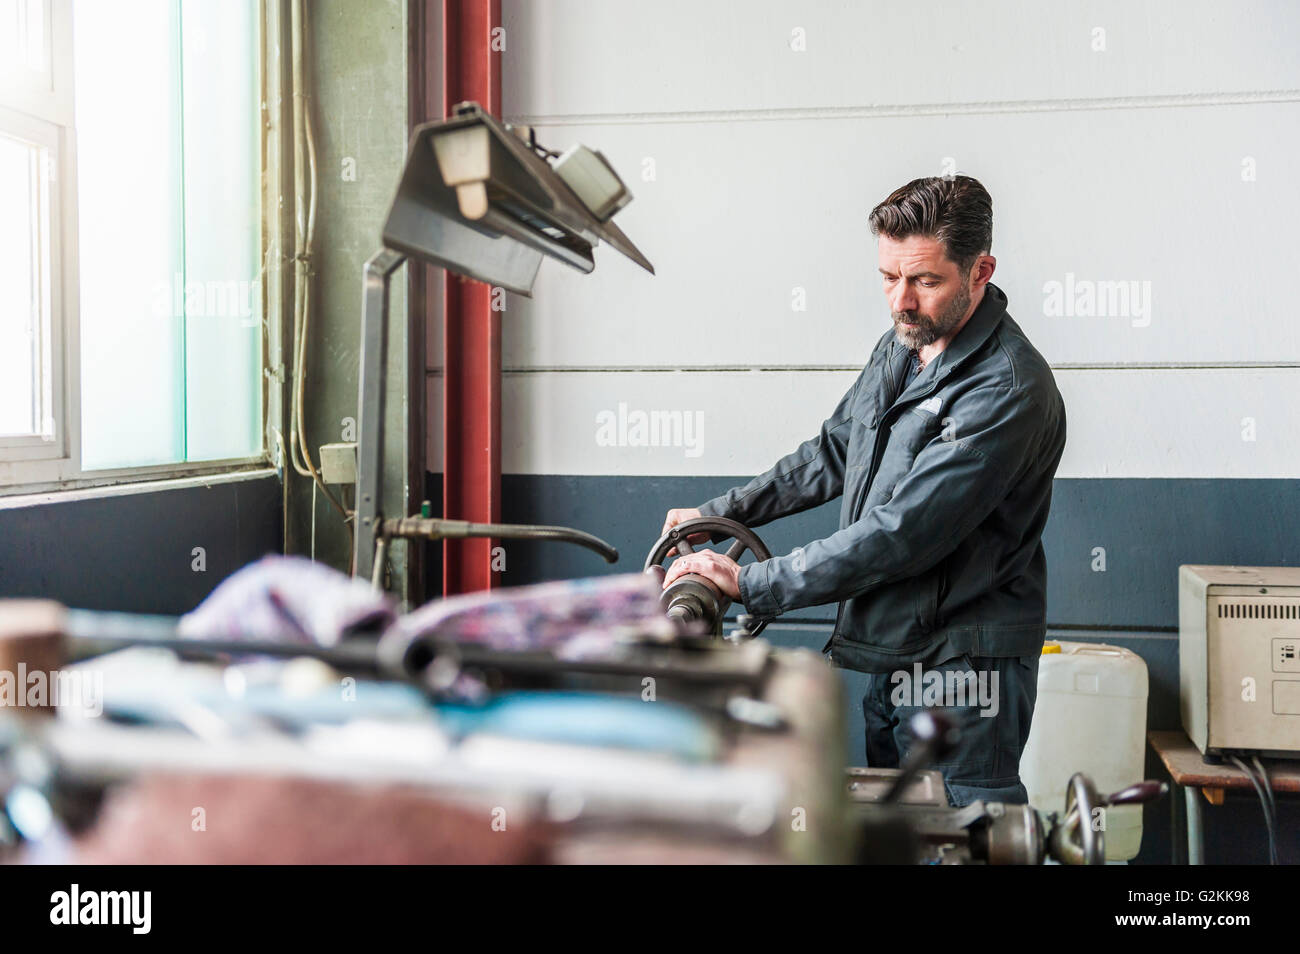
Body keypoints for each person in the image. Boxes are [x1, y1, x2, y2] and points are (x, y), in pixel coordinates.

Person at [661, 175, 1066, 806]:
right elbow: (830, 452)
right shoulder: (903, 346)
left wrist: (752, 584)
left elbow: (902, 534)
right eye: (887, 277)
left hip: (965, 668)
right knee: (898, 829)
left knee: (959, 828)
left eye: (925, 281)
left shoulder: (1005, 389)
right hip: (895, 647)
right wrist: (720, 516)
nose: (900, 300)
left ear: (980, 270)